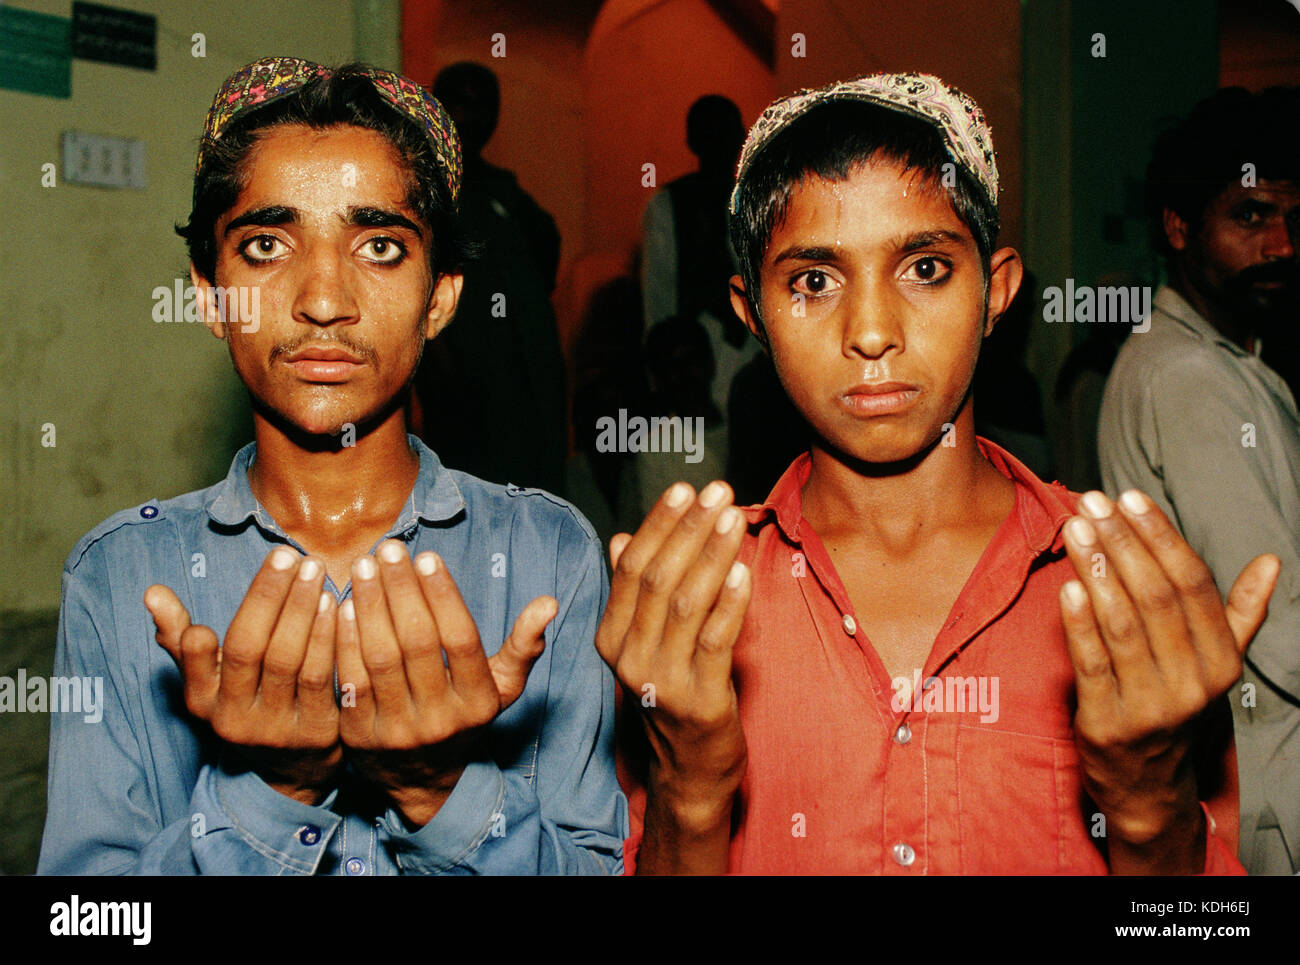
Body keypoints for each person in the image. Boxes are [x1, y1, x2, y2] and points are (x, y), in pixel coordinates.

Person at [597, 73, 1278, 874]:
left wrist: (1150, 805)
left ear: (998, 291)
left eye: (924, 268)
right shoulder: (696, 612)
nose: (873, 330)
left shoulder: (1121, 593)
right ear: (753, 317)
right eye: (814, 281)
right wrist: (691, 790)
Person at [37, 58, 624, 875]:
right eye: (268, 244)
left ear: (441, 297)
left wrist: (441, 791)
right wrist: (269, 791)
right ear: (210, 294)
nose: (322, 298)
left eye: (379, 245)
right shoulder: (120, 576)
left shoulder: (547, 553)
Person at [1098, 86, 1300, 875]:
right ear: (1180, 227)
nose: (1281, 244)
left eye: (1292, 219)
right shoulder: (1189, 378)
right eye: (1249, 217)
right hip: (1265, 775)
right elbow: (1281, 622)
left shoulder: (1220, 360)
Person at [411, 61, 567, 496]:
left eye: (484, 105)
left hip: (528, 375)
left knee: (533, 490)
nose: (473, 116)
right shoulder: (421, 186)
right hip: (465, 381)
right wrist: (441, 364)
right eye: (460, 102)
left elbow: (544, 251)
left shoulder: (505, 189)